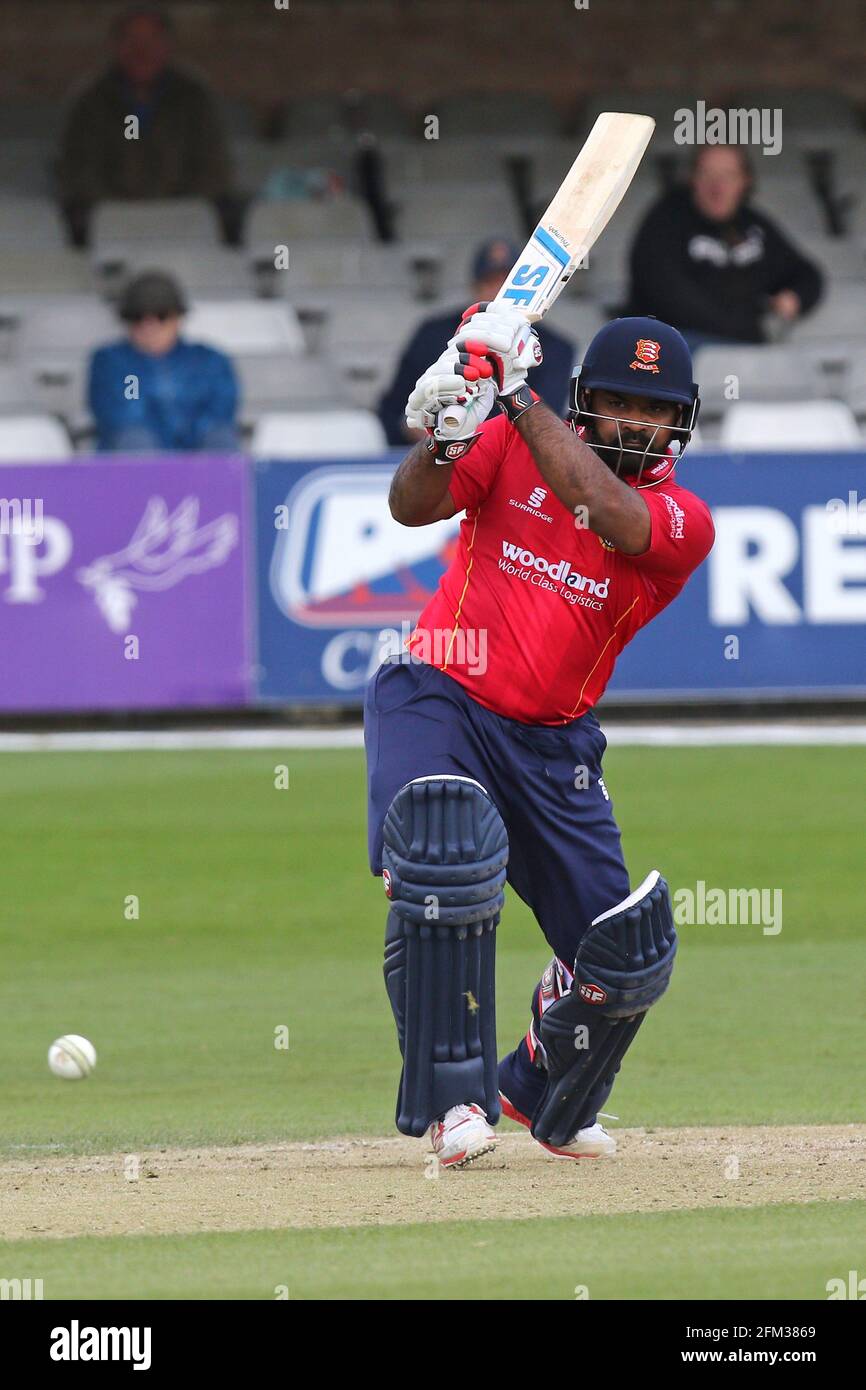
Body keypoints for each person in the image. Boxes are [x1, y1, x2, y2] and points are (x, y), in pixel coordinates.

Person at [365, 310, 714, 1168]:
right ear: (585, 402)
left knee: (625, 956)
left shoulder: (679, 520)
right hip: (438, 689)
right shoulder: (510, 443)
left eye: (655, 409)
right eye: (618, 402)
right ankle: (454, 1103)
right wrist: (447, 440)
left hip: (553, 743)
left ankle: (538, 1090)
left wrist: (511, 394)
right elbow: (410, 508)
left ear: (681, 421)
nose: (636, 422)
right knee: (444, 853)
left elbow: (604, 507)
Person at [56, 3, 235, 246]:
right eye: (132, 40)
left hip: (183, 224)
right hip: (110, 225)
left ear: (167, 44)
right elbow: (79, 172)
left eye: (152, 40)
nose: (142, 50)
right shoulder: (89, 101)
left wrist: (172, 211)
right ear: (117, 46)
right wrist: (125, 212)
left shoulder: (195, 98)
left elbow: (213, 168)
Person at [377, 238, 575, 444]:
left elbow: (542, 418)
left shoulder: (555, 347)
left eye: (507, 285)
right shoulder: (433, 334)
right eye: (490, 282)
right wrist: (416, 427)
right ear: (475, 288)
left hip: (511, 457)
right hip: (436, 455)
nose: (499, 294)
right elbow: (393, 409)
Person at [626, 145, 823, 351]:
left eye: (728, 175)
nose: (717, 186)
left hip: (743, 346)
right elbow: (666, 295)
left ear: (746, 181)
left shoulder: (753, 224)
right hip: (674, 343)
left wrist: (794, 297)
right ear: (692, 178)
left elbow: (806, 273)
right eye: (707, 174)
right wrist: (748, 327)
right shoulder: (666, 219)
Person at [88, 271, 239, 452]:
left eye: (161, 315)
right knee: (134, 440)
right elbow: (123, 415)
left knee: (220, 438)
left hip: (197, 459)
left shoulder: (209, 360)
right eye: (138, 317)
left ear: (178, 318)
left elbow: (219, 413)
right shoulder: (113, 362)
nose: (149, 326)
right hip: (137, 465)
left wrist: (184, 449)